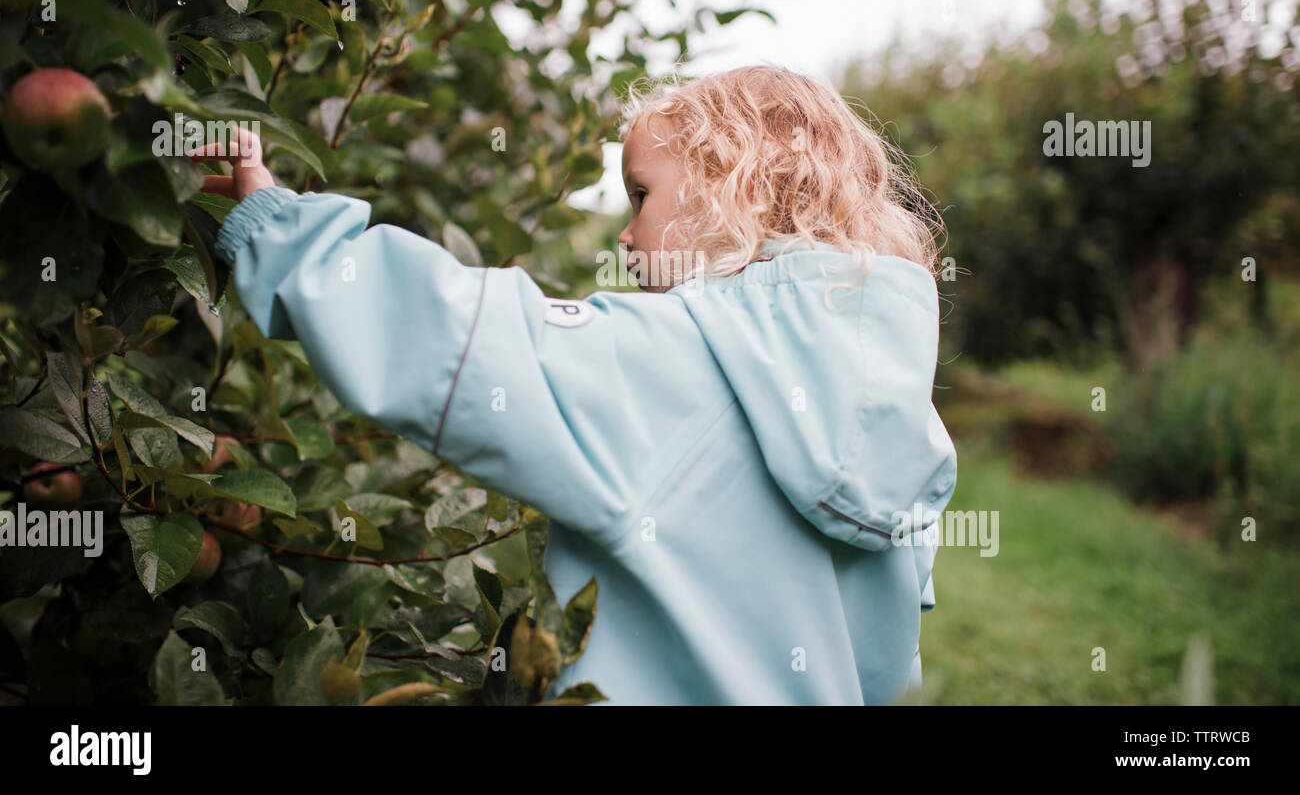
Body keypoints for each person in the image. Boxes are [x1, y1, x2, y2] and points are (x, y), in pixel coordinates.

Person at [196, 63, 958, 704]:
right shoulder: (896, 421)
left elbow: (454, 335)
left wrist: (279, 231)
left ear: (734, 188)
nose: (624, 234)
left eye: (639, 194)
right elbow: (886, 665)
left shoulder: (673, 362)